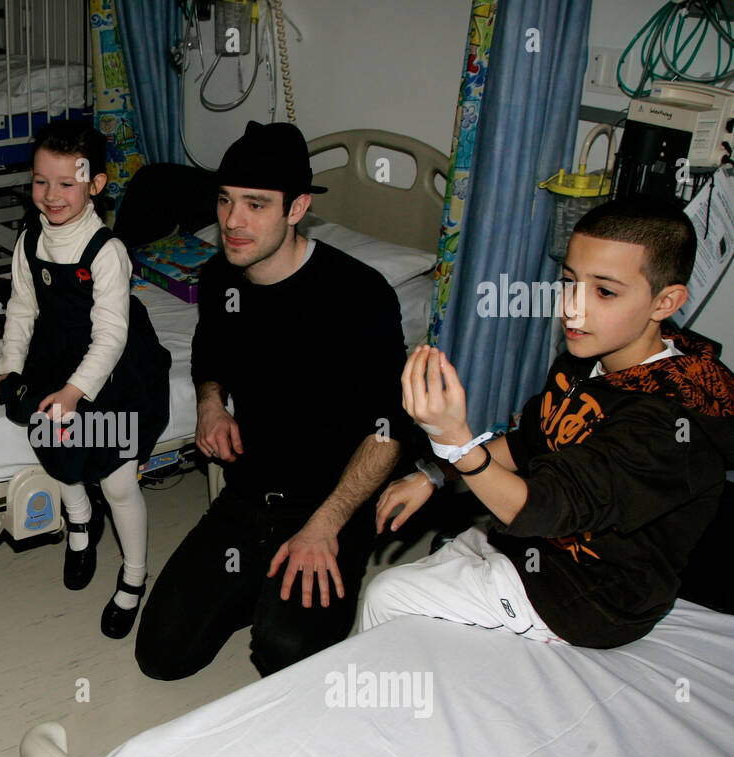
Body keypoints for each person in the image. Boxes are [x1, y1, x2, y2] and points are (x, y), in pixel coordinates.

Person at [364, 196, 734, 646]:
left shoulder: (671, 422)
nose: (574, 308)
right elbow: (529, 442)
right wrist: (431, 475)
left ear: (665, 302)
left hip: (590, 598)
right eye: (569, 282)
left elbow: (539, 508)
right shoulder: (587, 360)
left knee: (387, 596)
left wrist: (452, 440)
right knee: (434, 566)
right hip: (531, 547)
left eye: (605, 291)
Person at [135, 121, 410, 680]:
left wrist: (325, 525)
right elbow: (209, 346)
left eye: (256, 205)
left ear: (297, 207)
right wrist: (211, 404)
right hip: (248, 495)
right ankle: (258, 580)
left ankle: (284, 594)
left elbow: (390, 430)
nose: (233, 222)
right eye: (226, 200)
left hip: (330, 504)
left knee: (286, 655)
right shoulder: (221, 276)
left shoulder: (358, 297)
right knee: (162, 656)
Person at [0, 120, 171, 639]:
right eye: (41, 181)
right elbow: (20, 310)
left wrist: (74, 391)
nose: (52, 195)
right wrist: (10, 370)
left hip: (112, 366)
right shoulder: (29, 240)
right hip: (55, 359)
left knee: (118, 478)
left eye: (67, 183)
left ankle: (133, 576)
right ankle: (80, 522)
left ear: (96, 184)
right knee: (53, 440)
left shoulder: (107, 251)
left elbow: (110, 336)